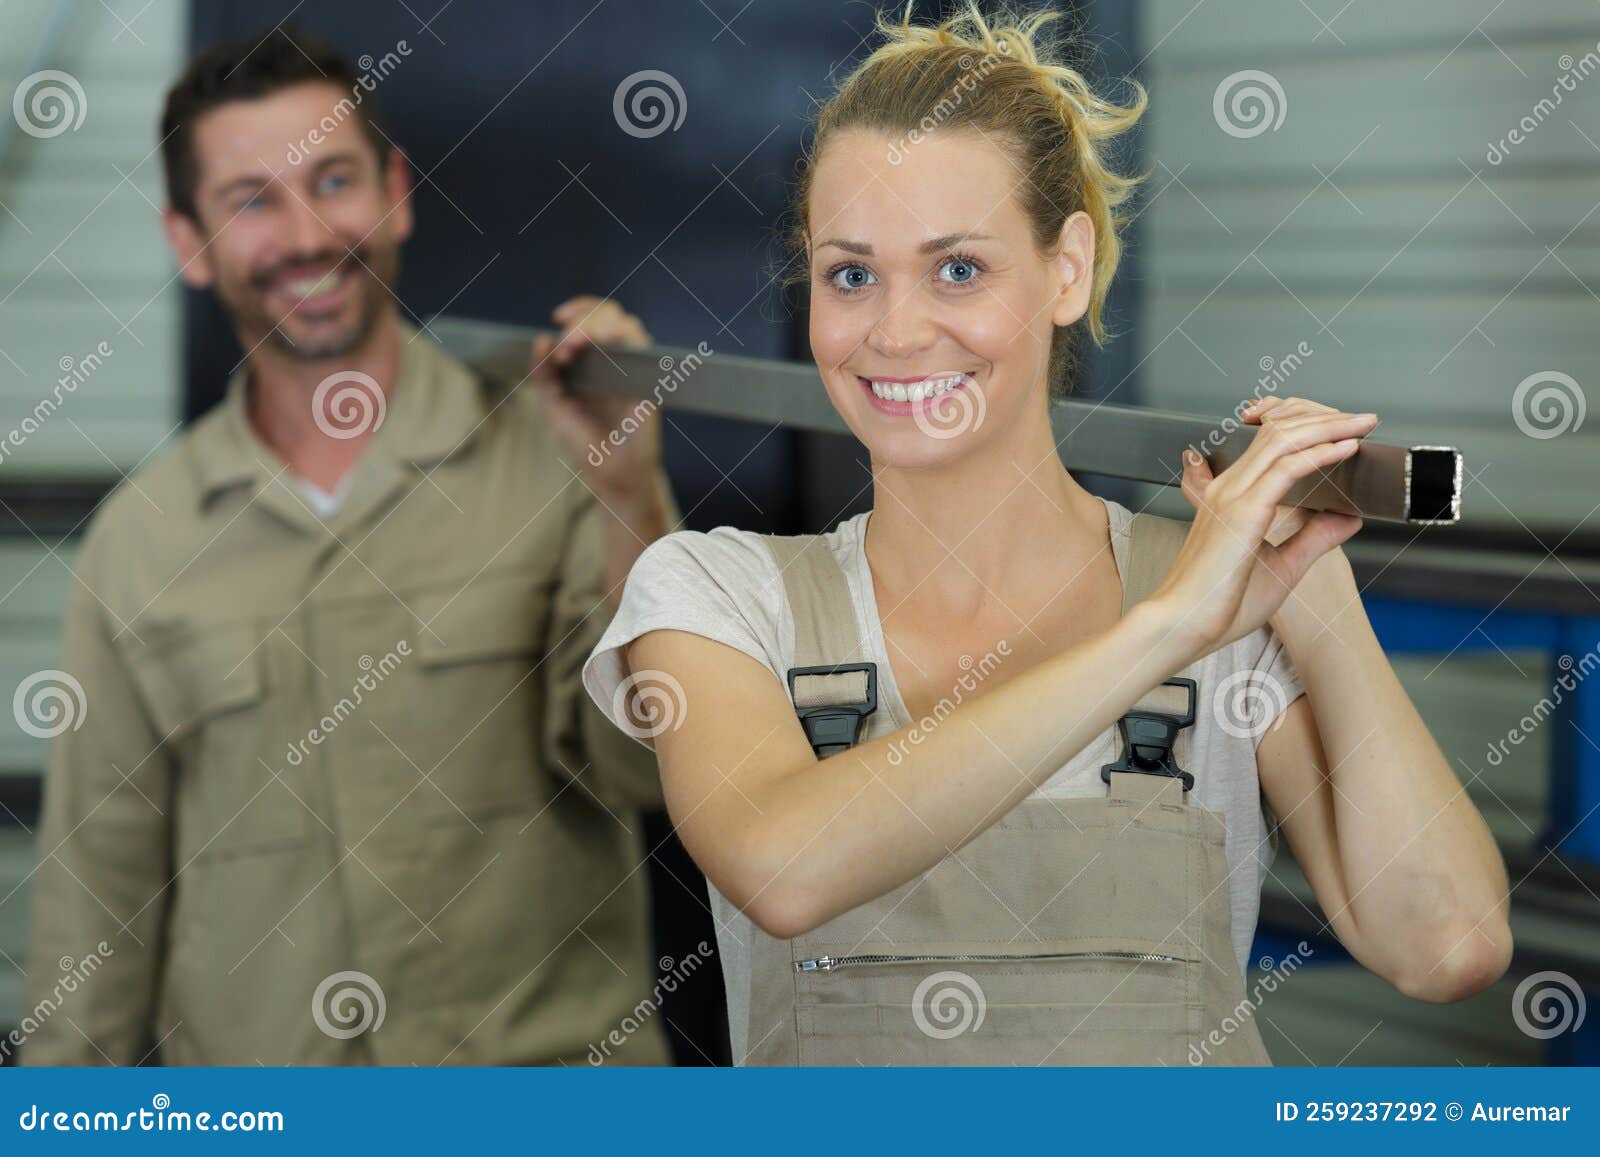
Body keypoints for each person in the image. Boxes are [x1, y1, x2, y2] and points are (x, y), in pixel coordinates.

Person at [583, 4, 1513, 1065]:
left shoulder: (1224, 596)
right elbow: (784, 869)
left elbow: (1447, 944)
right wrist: (1164, 631)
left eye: (957, 268)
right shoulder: (720, 594)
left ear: (1067, 268)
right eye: (851, 273)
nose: (894, 331)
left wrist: (1311, 579)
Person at [21, 29, 677, 1066]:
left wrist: (626, 492)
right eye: (251, 200)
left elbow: (648, 761)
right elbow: (96, 903)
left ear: (395, 193)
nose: (307, 233)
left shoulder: (557, 453)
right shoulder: (140, 542)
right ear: (189, 242)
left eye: (333, 180)